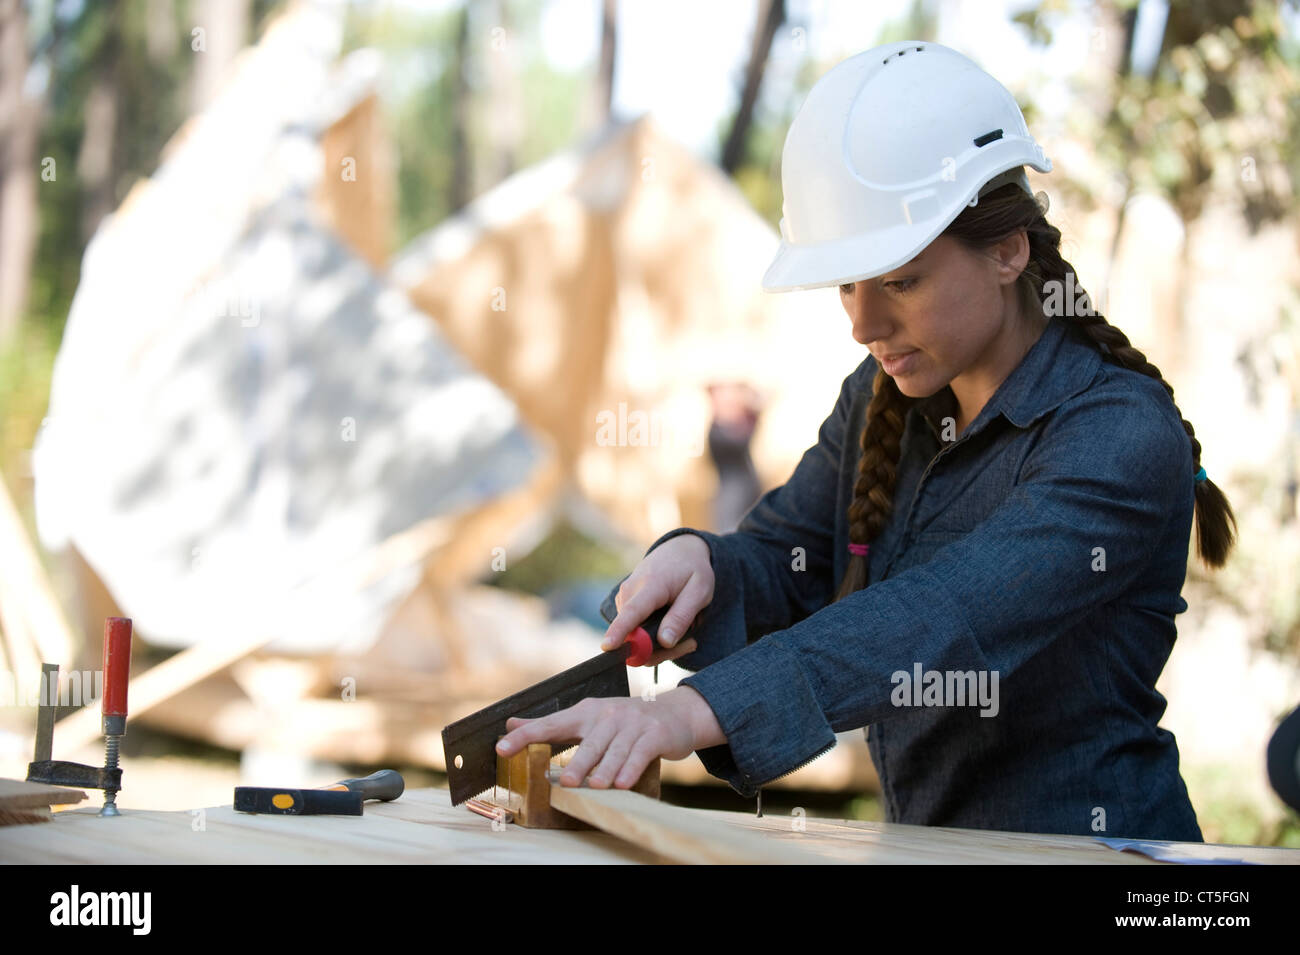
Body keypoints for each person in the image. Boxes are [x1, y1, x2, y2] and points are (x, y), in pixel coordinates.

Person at [495, 40, 1237, 841]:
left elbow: (944, 617)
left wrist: (694, 709)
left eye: (900, 280)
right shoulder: (884, 395)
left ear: (1007, 250)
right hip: (925, 848)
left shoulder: (1120, 435)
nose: (861, 323)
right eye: (847, 282)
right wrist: (707, 562)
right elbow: (793, 556)